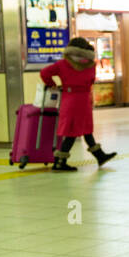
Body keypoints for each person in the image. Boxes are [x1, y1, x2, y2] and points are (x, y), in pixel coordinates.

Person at [39, 36, 116, 171]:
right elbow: (91, 80)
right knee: (82, 129)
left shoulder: (63, 64)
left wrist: (53, 85)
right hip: (84, 99)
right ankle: (64, 161)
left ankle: (63, 161)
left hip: (70, 99)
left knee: (73, 130)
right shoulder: (91, 64)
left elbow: (44, 73)